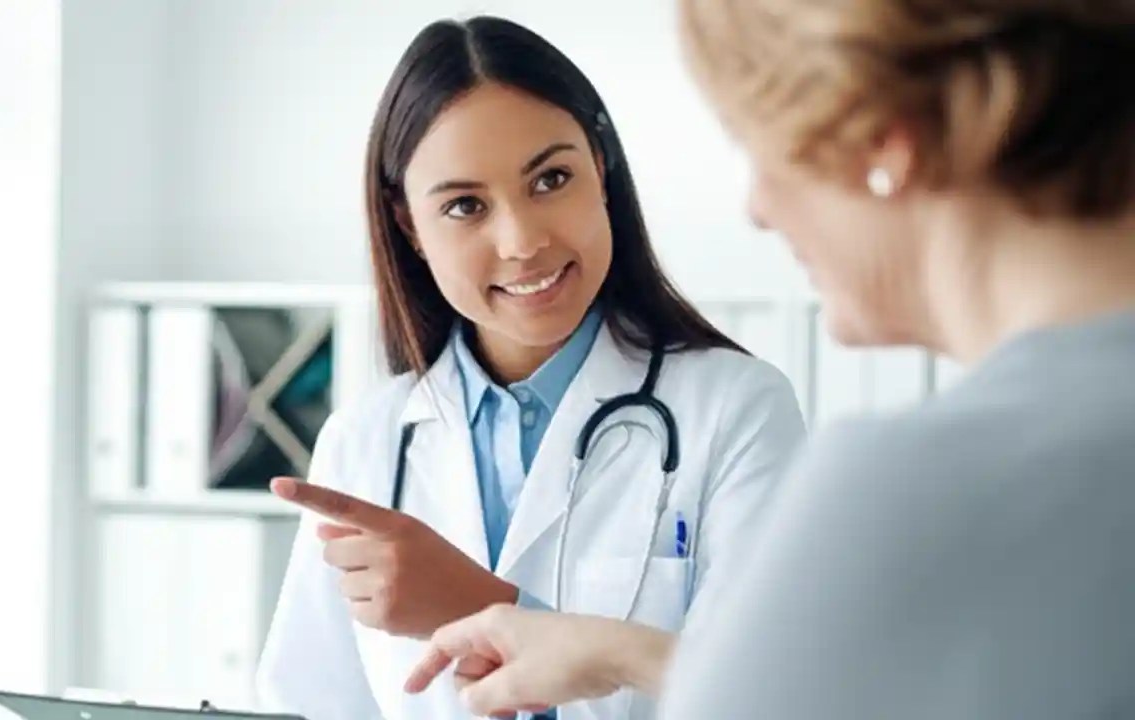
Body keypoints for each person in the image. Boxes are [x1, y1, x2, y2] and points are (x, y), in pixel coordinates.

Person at [406, 1, 1135, 718]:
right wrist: (620, 653)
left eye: (759, 145)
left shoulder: (915, 491)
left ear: (881, 140)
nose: (758, 207)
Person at [254, 15, 807, 720]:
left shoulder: (735, 409)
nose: (521, 242)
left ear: (600, 170)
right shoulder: (364, 441)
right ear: (408, 227)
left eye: (550, 179)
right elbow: (308, 706)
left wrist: (488, 608)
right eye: (464, 205)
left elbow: (775, 698)